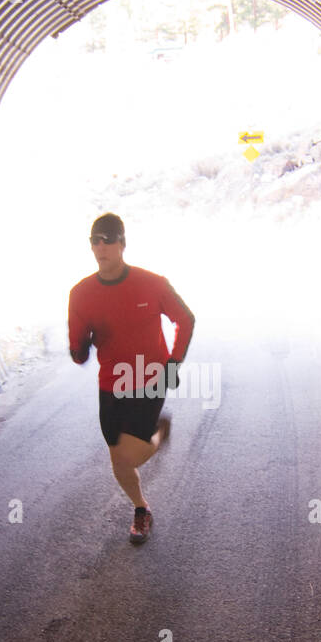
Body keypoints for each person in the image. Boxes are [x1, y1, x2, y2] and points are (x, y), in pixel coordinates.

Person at [68, 213, 195, 543]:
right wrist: (81, 346)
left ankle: (157, 433)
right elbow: (77, 351)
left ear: (122, 243)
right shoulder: (80, 294)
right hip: (111, 383)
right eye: (94, 239)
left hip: (150, 376)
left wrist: (173, 363)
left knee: (133, 455)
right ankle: (141, 509)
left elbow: (185, 318)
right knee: (117, 458)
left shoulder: (151, 283)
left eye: (108, 239)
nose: (100, 246)